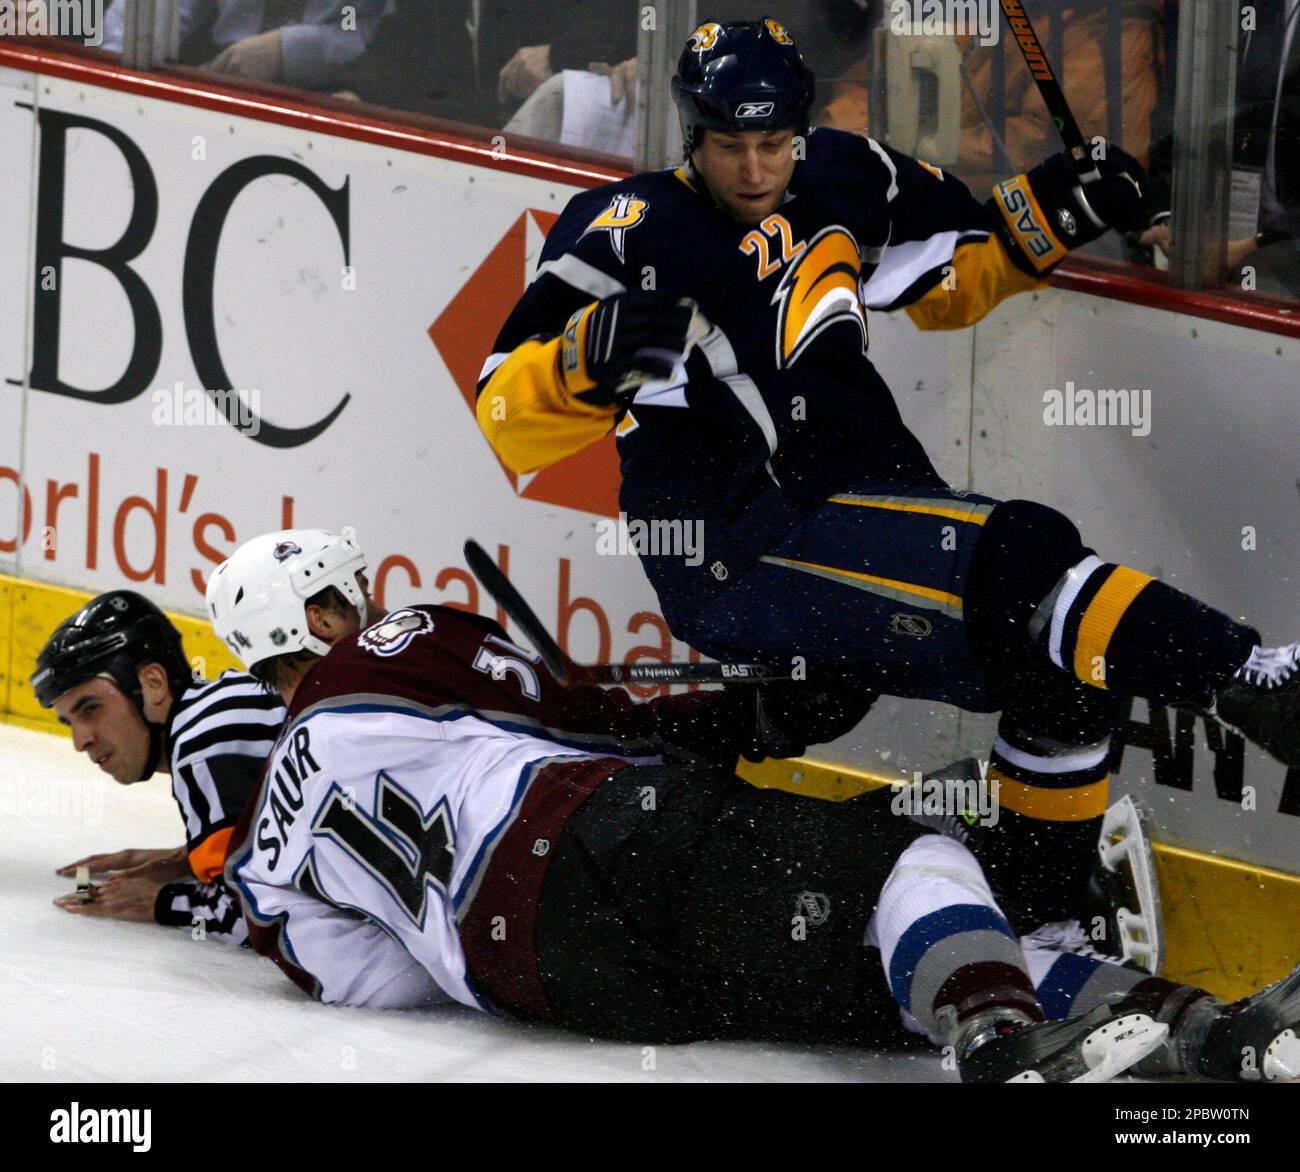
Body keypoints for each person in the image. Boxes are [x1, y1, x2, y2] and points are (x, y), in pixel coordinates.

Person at [475, 17, 1300, 933]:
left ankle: (1040, 921)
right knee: (1022, 557)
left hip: (864, 492)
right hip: (743, 544)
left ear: (799, 129)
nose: (754, 171)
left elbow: (954, 273)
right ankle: (1256, 682)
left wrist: (1056, 212)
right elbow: (504, 417)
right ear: (690, 133)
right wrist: (580, 360)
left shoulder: (841, 173)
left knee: (1060, 665)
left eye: (773, 144)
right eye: (729, 147)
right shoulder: (628, 230)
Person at [208, 528, 1298, 1082]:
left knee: (891, 949)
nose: (359, 605)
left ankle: (1205, 1037)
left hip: (570, 986)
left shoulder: (264, 847)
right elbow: (589, 718)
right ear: (316, 612)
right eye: (339, 595)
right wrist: (758, 721)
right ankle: (1007, 1049)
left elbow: (378, 976)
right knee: (917, 862)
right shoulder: (385, 649)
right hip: (599, 841)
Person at [31, 573, 304, 936]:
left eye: (90, 708)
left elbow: (261, 920)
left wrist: (162, 901)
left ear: (153, 684)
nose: (80, 741)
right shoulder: (219, 705)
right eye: (69, 722)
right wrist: (187, 859)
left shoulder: (203, 744)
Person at [101, 0, 384, 89]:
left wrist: (290, 50)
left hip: (333, 100)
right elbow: (132, 32)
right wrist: (117, 79)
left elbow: (364, 30)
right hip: (221, 85)